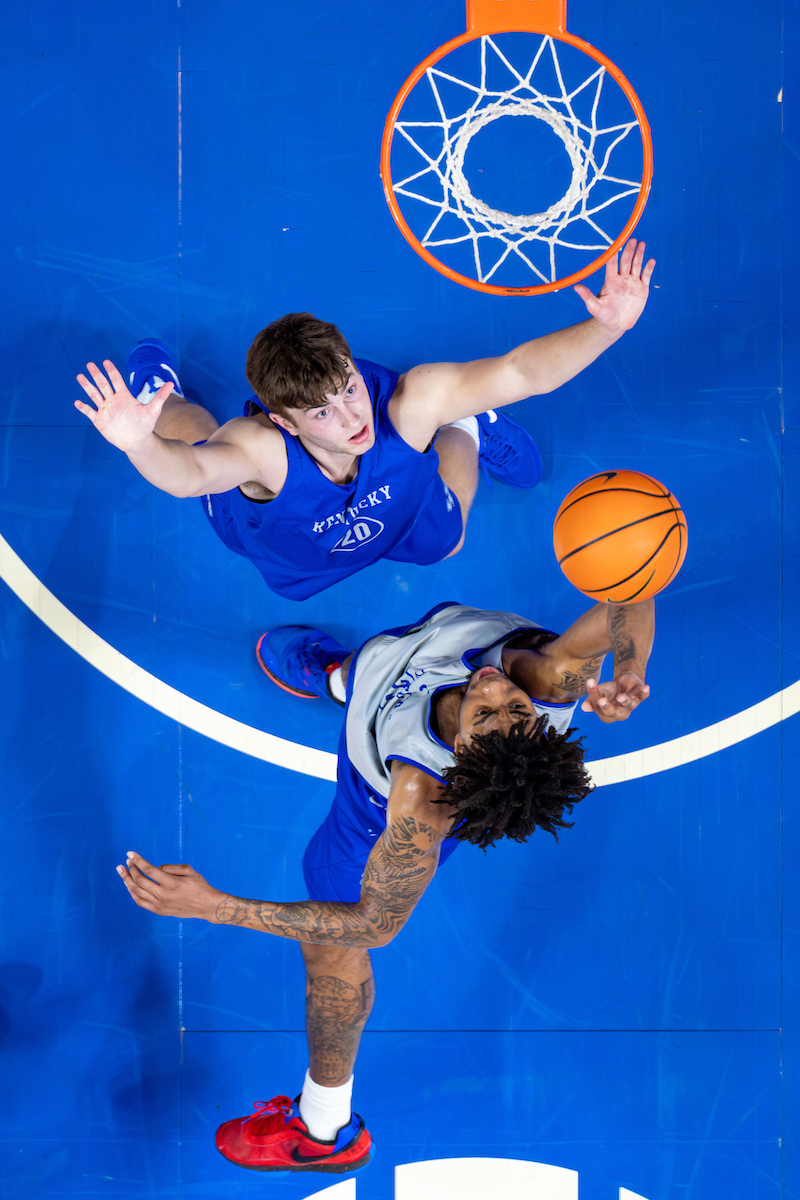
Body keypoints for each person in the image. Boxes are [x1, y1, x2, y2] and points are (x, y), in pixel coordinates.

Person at [117, 593, 654, 1175]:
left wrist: (213, 905)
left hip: (367, 811)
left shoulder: (419, 804)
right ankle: (341, 678)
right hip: (408, 653)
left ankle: (323, 1128)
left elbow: (375, 924)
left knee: (332, 945)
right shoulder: (545, 677)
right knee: (383, 663)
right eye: (515, 711)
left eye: (485, 716)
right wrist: (630, 670)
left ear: (461, 754)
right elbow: (633, 594)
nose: (497, 690)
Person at [75, 240, 655, 609]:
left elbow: (522, 371)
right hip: (290, 546)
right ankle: (159, 393)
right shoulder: (261, 450)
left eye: (349, 387)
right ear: (284, 421)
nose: (354, 418)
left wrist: (606, 328)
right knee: (190, 430)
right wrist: (137, 442)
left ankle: (468, 425)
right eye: (322, 412)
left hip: (394, 511)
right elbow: (188, 473)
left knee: (448, 541)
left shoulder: (407, 403)